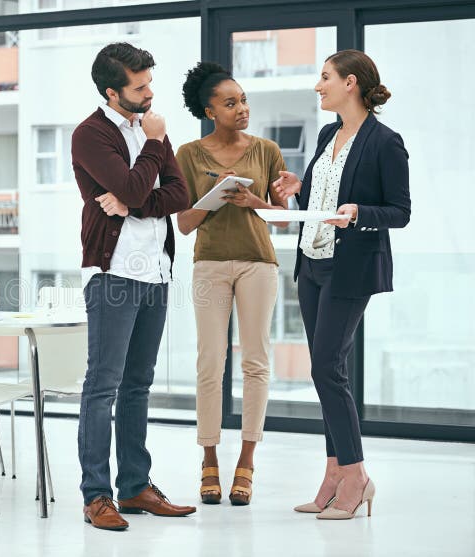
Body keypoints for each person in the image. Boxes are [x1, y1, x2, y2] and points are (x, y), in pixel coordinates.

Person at [272, 49, 410, 520]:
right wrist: (298, 186)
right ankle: (333, 474)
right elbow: (322, 198)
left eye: (325, 77)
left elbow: (400, 211)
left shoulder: (385, 142)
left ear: (350, 82)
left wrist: (359, 213)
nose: (318, 85)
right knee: (329, 371)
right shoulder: (330, 134)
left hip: (351, 268)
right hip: (311, 263)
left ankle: (356, 477)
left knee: (326, 369)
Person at [71, 42, 195, 531]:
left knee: (139, 386)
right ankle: (97, 496)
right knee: (103, 387)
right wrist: (153, 149)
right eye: (139, 87)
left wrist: (132, 201)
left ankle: (136, 487)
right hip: (113, 273)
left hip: (156, 274)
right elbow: (134, 187)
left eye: (149, 84)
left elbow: (178, 196)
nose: (149, 94)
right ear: (112, 91)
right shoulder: (91, 135)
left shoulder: (148, 127)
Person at [175, 62, 290, 506]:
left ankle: (247, 461)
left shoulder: (266, 150)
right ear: (210, 110)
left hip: (258, 263)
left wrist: (255, 199)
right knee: (210, 361)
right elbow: (184, 224)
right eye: (230, 103)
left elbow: (280, 219)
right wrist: (215, 198)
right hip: (209, 264)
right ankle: (209, 460)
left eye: (243, 100)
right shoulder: (188, 154)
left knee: (256, 361)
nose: (242, 108)